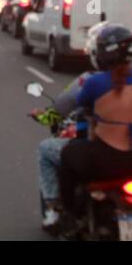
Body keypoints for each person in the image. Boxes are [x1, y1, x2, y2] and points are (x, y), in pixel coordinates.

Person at [56, 23, 132, 232]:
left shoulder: (95, 83)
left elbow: (80, 103)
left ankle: (69, 214)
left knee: (67, 155)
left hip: (106, 160)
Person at [32, 73, 90, 231]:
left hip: (100, 151)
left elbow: (55, 113)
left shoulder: (90, 82)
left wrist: (43, 116)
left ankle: (53, 208)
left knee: (46, 148)